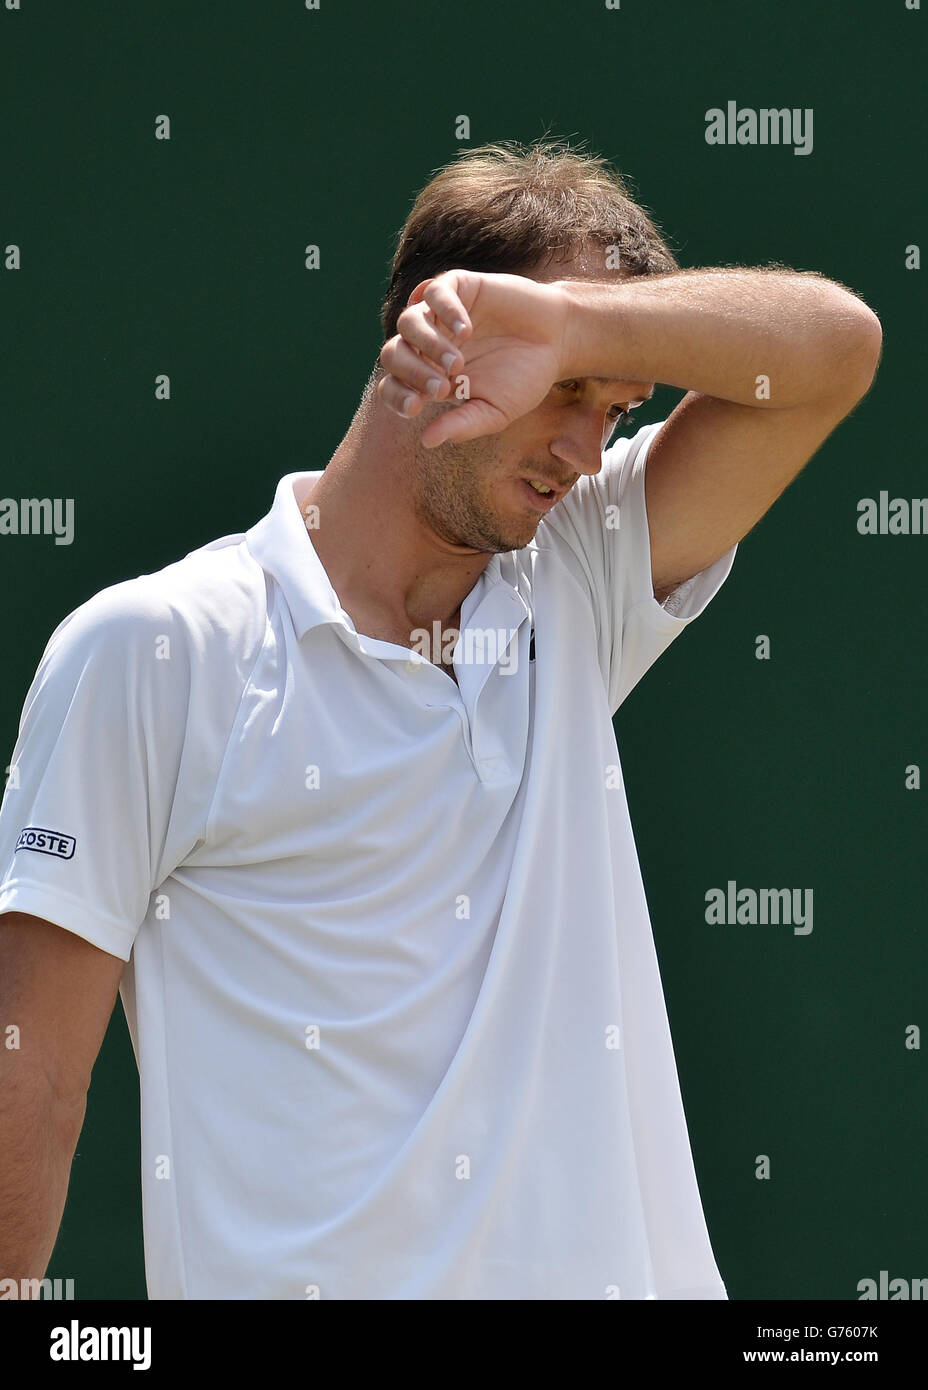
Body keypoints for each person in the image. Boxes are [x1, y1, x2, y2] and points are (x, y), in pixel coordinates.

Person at [0, 140, 881, 1300]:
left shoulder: (578, 568)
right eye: (564, 391)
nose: (584, 449)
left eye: (614, 408)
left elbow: (834, 350)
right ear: (434, 330)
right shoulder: (155, 647)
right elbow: (35, 1080)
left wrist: (577, 333)